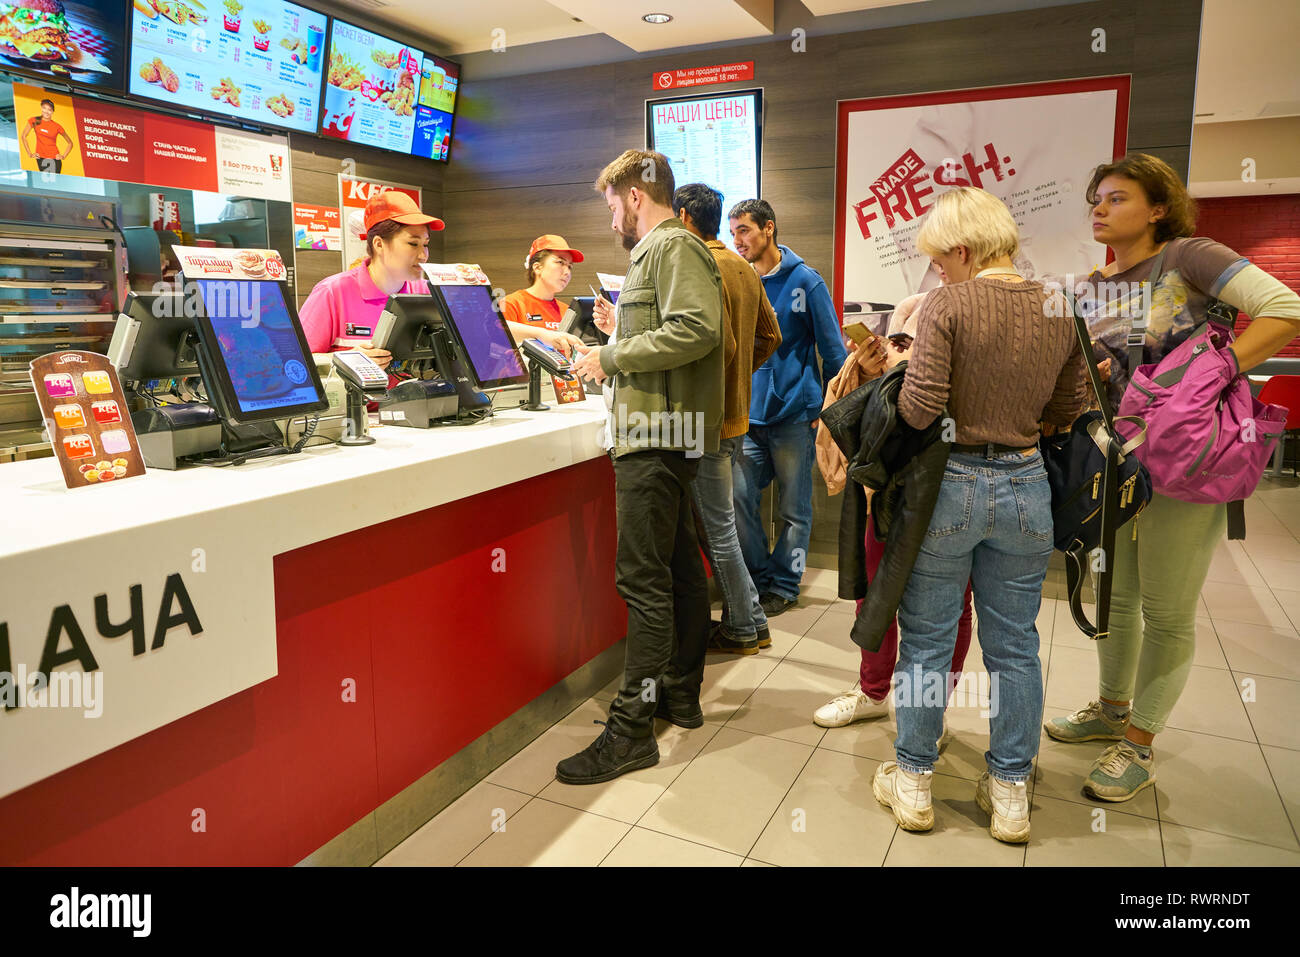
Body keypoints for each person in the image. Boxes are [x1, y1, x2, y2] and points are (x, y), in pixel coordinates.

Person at [1043, 154, 1300, 802]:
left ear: (1158, 207)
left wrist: (1214, 370)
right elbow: (1116, 365)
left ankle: (1140, 742)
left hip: (1190, 464)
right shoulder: (1092, 284)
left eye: (1117, 197)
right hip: (1118, 459)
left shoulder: (1191, 256)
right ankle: (1110, 708)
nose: (1098, 207)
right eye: (1094, 198)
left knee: (1166, 609)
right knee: (1116, 597)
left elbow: (1284, 308)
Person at [871, 186, 1087, 844]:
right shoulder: (1058, 302)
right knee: (1016, 645)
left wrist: (902, 370)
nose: (937, 271)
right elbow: (1072, 403)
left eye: (940, 259)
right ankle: (1011, 791)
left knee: (929, 642)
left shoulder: (947, 304)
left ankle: (912, 782)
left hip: (952, 484)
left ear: (962, 250)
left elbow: (918, 408)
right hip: (1026, 486)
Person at [558, 149, 724, 785]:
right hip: (666, 430)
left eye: (610, 206)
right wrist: (618, 339)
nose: (609, 221)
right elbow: (671, 334)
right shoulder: (662, 252)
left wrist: (612, 357)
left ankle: (630, 732)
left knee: (642, 581)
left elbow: (695, 329)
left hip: (654, 436)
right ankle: (678, 693)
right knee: (679, 568)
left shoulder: (672, 247)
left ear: (634, 196)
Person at [813, 280, 975, 731]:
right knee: (873, 586)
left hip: (955, 474)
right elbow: (875, 403)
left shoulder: (983, 315)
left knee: (952, 603)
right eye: (938, 264)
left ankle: (930, 710)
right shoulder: (912, 306)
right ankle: (872, 689)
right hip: (889, 475)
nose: (942, 274)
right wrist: (868, 371)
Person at [672, 183, 782, 654]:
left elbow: (702, 343)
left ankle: (743, 625)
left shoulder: (697, 265)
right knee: (723, 525)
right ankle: (751, 619)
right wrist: (739, 377)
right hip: (735, 417)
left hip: (703, 421)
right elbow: (769, 336)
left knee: (718, 530)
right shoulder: (742, 266)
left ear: (681, 217)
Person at [729, 199, 847, 617]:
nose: (737, 239)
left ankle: (784, 583)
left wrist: (830, 411)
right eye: (733, 231)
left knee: (795, 511)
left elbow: (834, 352)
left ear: (769, 229)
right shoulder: (741, 280)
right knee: (738, 500)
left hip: (796, 417)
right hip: (746, 418)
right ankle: (758, 579)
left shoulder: (806, 281)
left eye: (744, 230)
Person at [500, 235, 587, 351]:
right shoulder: (511, 303)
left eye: (570, 267)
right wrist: (542, 334)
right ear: (537, 268)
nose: (567, 272)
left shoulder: (568, 311)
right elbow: (495, 334)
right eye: (560, 262)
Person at [23, 99, 74, 174]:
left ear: (52, 112)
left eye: (49, 109)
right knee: (45, 181)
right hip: (40, 157)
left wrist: (63, 156)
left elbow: (70, 143)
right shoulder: (34, 120)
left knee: (54, 182)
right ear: (41, 108)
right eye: (44, 108)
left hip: (54, 159)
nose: (46, 111)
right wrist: (30, 154)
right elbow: (24, 136)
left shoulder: (57, 126)